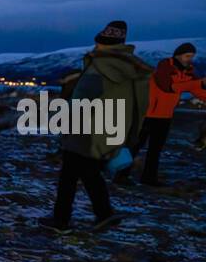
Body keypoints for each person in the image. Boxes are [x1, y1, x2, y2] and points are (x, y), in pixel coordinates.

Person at [39, 20, 152, 234]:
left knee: (69, 175)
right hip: (108, 129)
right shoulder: (130, 69)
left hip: (85, 131)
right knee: (89, 172)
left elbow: (80, 102)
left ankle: (61, 220)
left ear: (101, 43)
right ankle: (104, 213)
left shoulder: (99, 67)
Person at [139, 42, 206, 186]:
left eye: (192, 56)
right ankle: (121, 174)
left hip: (165, 116)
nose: (189, 59)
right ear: (178, 55)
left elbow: (197, 90)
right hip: (148, 114)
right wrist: (200, 83)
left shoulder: (187, 72)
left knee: (155, 150)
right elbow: (169, 87)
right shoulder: (164, 68)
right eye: (187, 56)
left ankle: (148, 179)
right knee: (136, 145)